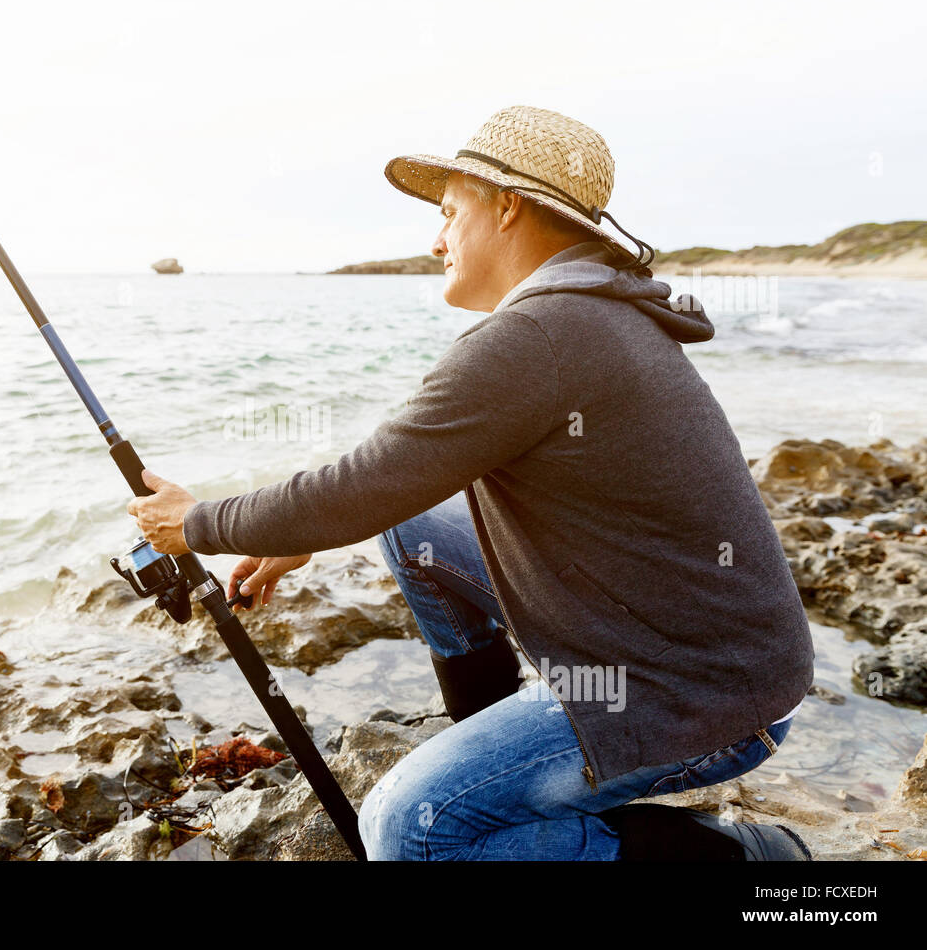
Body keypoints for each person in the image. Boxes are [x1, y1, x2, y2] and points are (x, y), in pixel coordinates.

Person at [127, 106, 814, 860]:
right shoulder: (587, 315)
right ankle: (492, 754)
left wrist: (197, 524)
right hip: (694, 648)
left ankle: (738, 856)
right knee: (409, 525)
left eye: (451, 213)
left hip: (697, 693)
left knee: (408, 828)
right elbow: (395, 482)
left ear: (509, 206)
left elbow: (363, 482)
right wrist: (298, 540)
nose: (435, 239)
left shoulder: (542, 335)